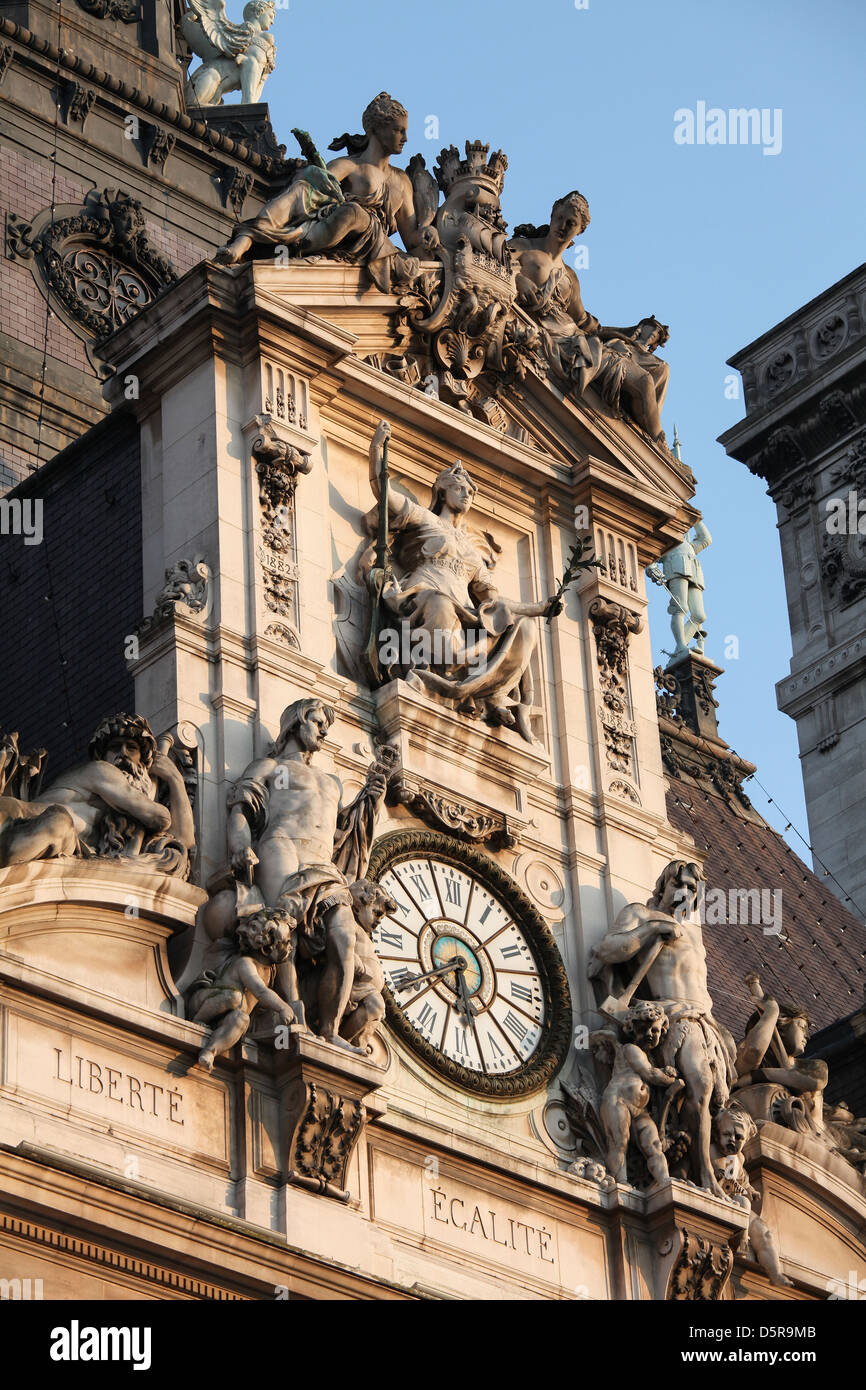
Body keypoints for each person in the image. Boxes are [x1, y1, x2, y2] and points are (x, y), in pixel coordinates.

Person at [203, 698, 387, 1050]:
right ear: (295, 723)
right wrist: (241, 843)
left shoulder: (332, 781)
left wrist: (370, 802)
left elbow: (342, 836)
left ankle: (331, 1030)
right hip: (281, 847)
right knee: (284, 930)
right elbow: (240, 808)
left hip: (322, 863)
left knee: (344, 939)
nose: (324, 730)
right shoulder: (269, 766)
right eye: (317, 722)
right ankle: (292, 1012)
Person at [365, 420, 561, 742]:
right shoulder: (424, 519)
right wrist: (376, 449)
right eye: (460, 489)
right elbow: (383, 492)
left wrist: (539, 608)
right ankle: (439, 675)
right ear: (442, 490)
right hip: (423, 597)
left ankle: (481, 687)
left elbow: (494, 605)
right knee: (441, 606)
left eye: (471, 492)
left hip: (461, 613)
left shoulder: (473, 553)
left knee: (523, 628)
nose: (467, 495)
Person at [589, 859, 737, 1198]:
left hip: (705, 1022)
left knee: (711, 1096)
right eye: (679, 885)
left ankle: (693, 1167)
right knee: (699, 1082)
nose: (685, 893)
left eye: (692, 890)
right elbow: (607, 950)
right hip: (674, 1017)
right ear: (663, 886)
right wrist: (651, 931)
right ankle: (707, 1179)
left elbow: (703, 991)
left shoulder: (694, 936)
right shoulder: (640, 913)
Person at [216, 94, 438, 291]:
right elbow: (316, 187)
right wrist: (312, 174)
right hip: (339, 227)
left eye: (405, 131)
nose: (405, 138)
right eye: (398, 130)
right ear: (375, 130)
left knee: (351, 211)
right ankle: (248, 238)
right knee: (304, 189)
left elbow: (412, 240)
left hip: (374, 240)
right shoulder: (350, 166)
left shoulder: (401, 181)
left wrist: (429, 235)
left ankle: (290, 245)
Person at [0, 713, 194, 870]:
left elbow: (183, 841)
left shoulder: (119, 817)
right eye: (115, 747)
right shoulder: (102, 770)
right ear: (102, 756)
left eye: (132, 748)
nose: (123, 753)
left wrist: (175, 779)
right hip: (18, 818)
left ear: (143, 762)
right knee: (59, 822)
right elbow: (159, 818)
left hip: (55, 839)